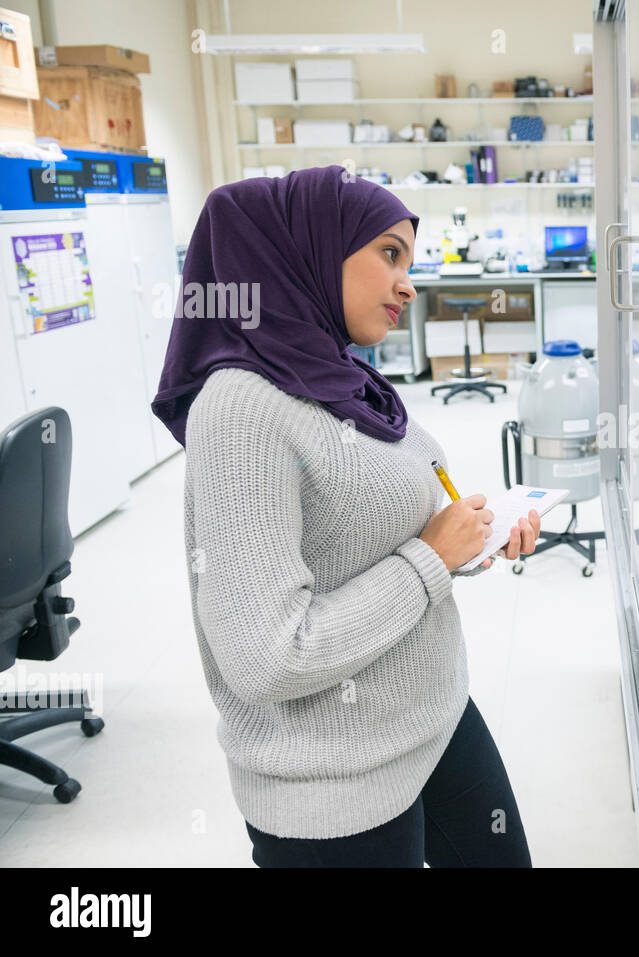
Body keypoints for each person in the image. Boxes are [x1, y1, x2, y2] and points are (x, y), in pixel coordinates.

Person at [152, 165, 540, 867]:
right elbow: (269, 656)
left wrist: (476, 537)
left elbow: (388, 537)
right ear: (306, 248)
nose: (408, 283)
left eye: (409, 261)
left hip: (434, 717)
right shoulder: (241, 410)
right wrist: (432, 559)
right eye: (388, 253)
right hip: (332, 785)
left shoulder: (341, 376)